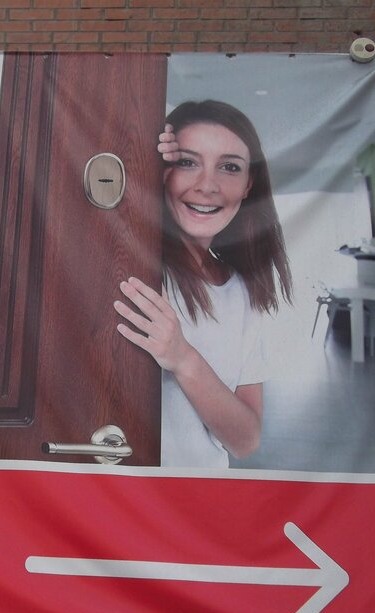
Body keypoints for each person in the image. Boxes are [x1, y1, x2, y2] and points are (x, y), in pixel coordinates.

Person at [114, 100, 292, 468]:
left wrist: (183, 358)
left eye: (229, 167)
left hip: (201, 495)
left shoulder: (244, 291)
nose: (207, 186)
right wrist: (137, 154)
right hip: (126, 494)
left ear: (248, 185)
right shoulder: (133, 264)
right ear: (162, 172)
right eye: (187, 162)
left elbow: (245, 440)